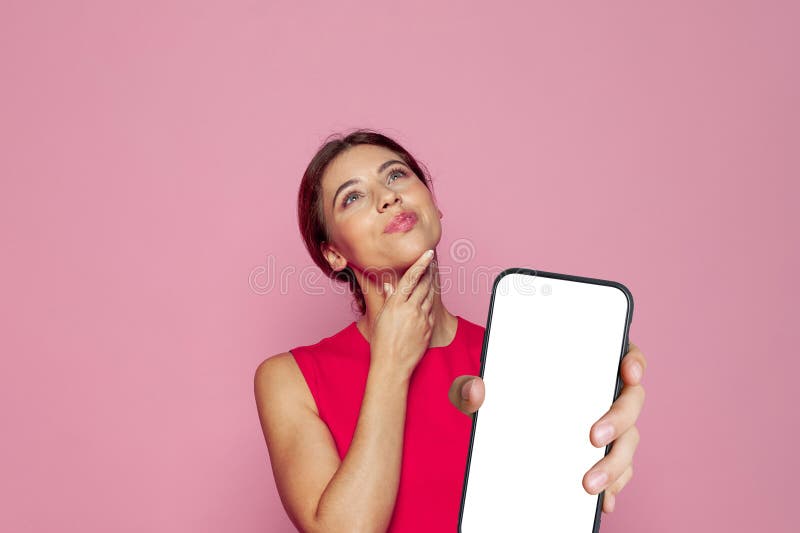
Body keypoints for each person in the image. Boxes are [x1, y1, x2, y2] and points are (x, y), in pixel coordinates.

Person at [254, 129, 648, 532]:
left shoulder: (517, 356)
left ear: (434, 206)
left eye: (396, 176)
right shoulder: (290, 378)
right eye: (352, 197)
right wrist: (391, 365)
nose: (388, 197)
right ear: (333, 252)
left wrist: (600, 433)